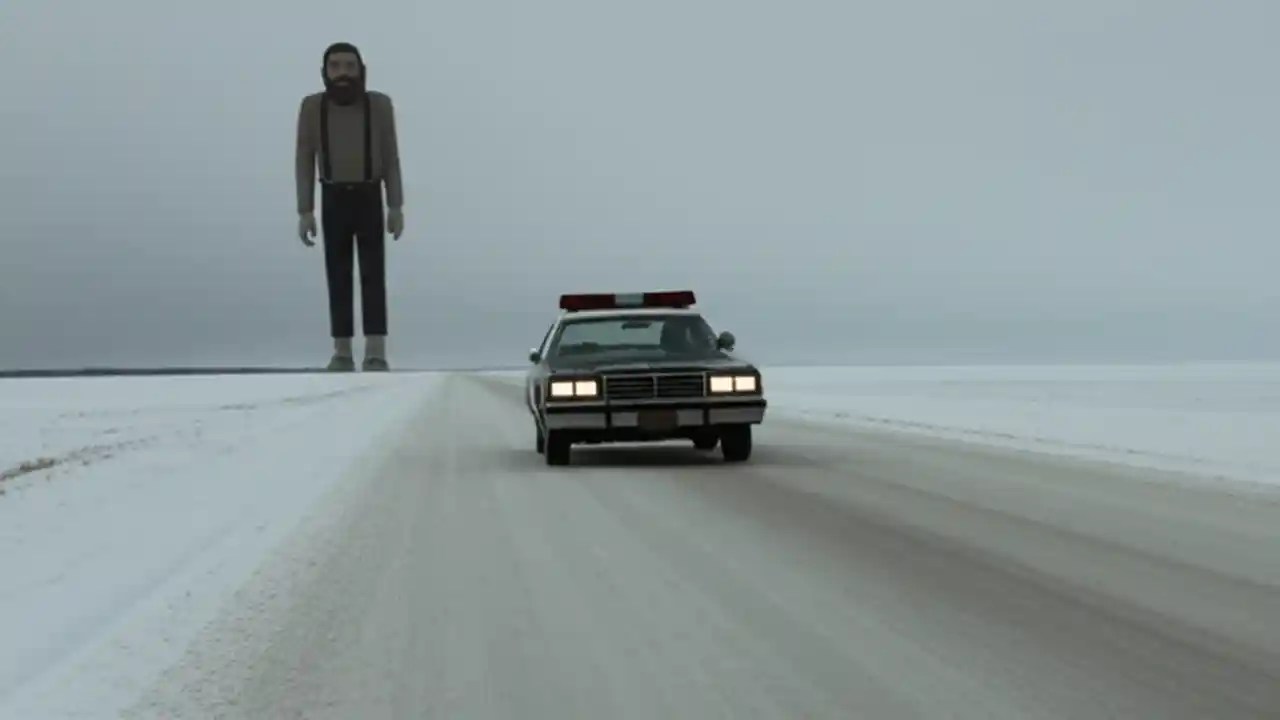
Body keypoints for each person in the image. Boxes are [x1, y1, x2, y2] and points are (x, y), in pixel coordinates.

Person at [295, 42, 404, 371]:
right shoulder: (313, 107)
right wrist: (305, 210)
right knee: (337, 274)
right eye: (335, 66)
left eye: (349, 66)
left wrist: (395, 205)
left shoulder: (379, 105)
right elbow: (304, 158)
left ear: (361, 70)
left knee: (373, 274)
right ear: (325, 72)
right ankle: (341, 350)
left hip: (369, 196)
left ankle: (376, 351)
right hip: (332, 197)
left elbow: (391, 156)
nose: (342, 73)